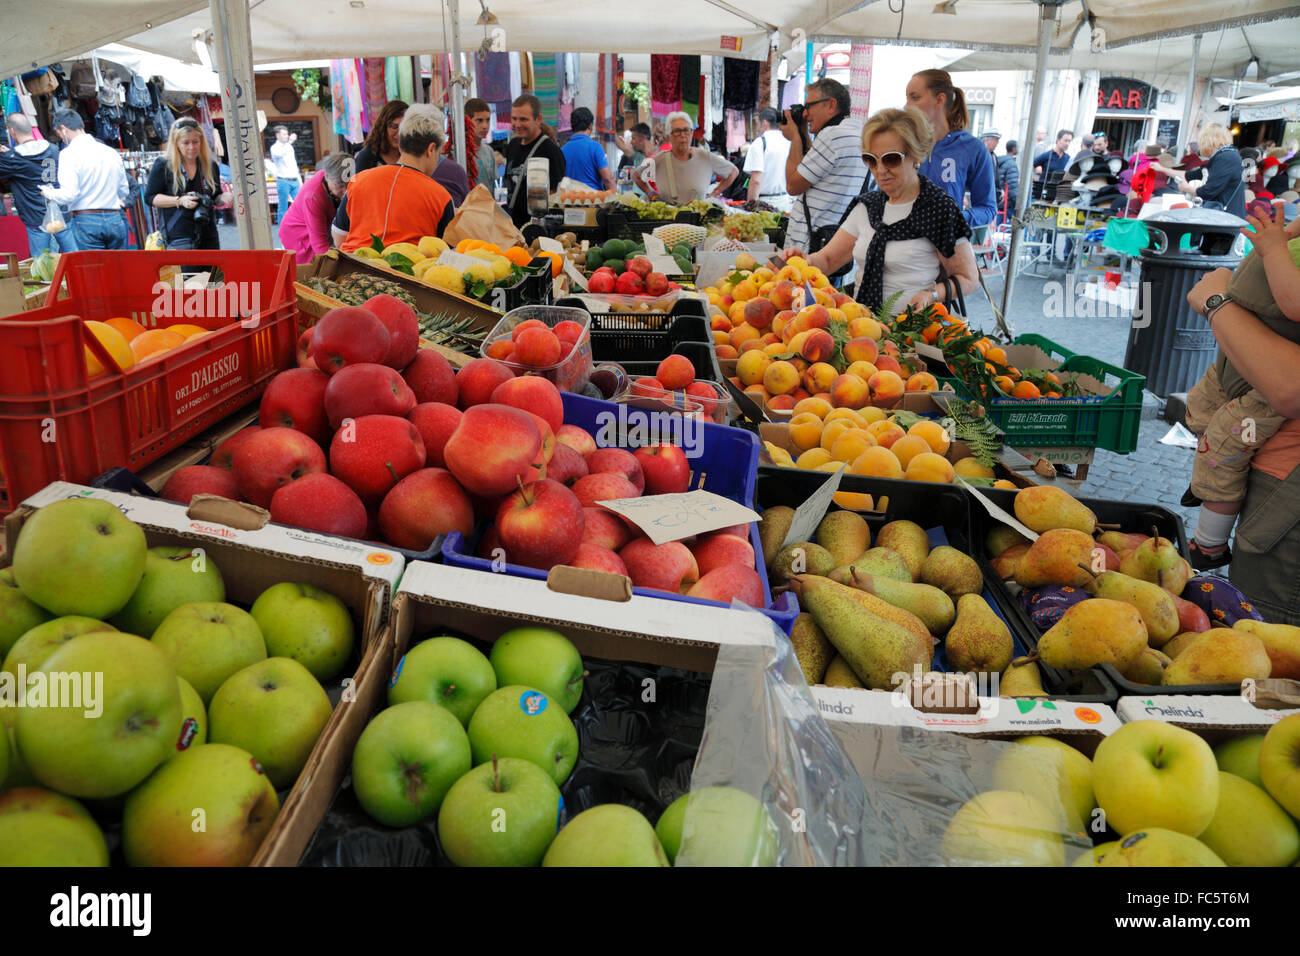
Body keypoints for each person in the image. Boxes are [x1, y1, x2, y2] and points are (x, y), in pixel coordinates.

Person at [1179, 204, 1300, 569]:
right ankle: (1208, 476)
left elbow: (1294, 305)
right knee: (1200, 408)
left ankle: (1211, 544)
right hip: (1239, 363)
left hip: (1267, 395)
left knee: (1224, 446)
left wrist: (1275, 248)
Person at [1188, 262, 1300, 624]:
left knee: (1265, 640)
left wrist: (1217, 303)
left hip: (1286, 505)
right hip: (1275, 486)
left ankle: (1209, 542)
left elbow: (1290, 389)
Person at [786, 107, 977, 313]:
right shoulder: (867, 207)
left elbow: (967, 278)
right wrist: (806, 260)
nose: (880, 169)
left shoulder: (938, 208)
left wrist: (930, 294)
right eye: (871, 159)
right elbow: (829, 259)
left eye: (891, 159)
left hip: (911, 331)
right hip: (861, 328)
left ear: (915, 155)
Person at [331, 105, 454, 253]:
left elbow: (339, 238)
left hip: (354, 270)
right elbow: (447, 255)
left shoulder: (358, 181)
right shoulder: (441, 196)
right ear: (431, 149)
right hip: (406, 274)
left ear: (401, 147)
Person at [782, 78, 867, 254]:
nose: (805, 114)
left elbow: (793, 185)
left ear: (831, 104)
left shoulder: (833, 135)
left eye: (809, 106)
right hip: (833, 240)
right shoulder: (857, 133)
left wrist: (796, 138)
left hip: (810, 246)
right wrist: (803, 131)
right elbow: (815, 171)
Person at [906, 70, 996, 229]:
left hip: (946, 246)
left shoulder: (973, 148)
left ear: (939, 99)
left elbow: (988, 209)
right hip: (902, 242)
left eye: (915, 97)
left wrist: (956, 217)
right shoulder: (902, 143)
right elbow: (883, 196)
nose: (907, 106)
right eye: (907, 98)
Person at [38, 108, 130, 250]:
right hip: (115, 218)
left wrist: (48, 193)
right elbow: (124, 190)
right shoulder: (110, 152)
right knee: (117, 269)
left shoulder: (68, 154)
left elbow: (69, 194)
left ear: (63, 129)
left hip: (86, 220)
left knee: (93, 270)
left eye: (59, 134)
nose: (62, 138)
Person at [144, 118, 232, 250]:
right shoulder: (164, 165)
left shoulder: (210, 165)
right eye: (186, 143)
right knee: (186, 272)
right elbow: (150, 197)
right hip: (179, 237)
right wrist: (179, 201)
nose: (192, 147)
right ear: (176, 143)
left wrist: (223, 198)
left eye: (196, 142)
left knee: (212, 271)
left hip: (208, 235)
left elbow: (215, 197)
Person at [0, 112, 78, 254]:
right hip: (61, 214)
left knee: (44, 267)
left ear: (12, 131)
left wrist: (6, 155)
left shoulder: (13, 158)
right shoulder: (53, 149)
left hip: (36, 219)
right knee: (74, 259)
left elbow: (18, 166)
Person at [633, 111, 738, 205]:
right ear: (669, 136)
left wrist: (716, 193)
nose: (683, 135)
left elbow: (733, 172)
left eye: (686, 130)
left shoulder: (705, 157)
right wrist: (650, 193)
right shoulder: (659, 159)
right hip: (668, 221)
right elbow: (636, 175)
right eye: (677, 131)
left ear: (692, 134)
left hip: (698, 218)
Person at [1153, 123, 1246, 218]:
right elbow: (1189, 175)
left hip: (1226, 218)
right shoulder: (1224, 156)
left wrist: (1186, 188)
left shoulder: (1226, 158)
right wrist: (1161, 169)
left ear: (1208, 140)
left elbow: (1208, 192)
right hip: (1224, 215)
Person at [278, 152, 354, 264]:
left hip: (320, 228)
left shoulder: (332, 178)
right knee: (314, 271)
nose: (345, 191)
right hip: (299, 236)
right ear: (327, 176)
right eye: (340, 186)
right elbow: (320, 246)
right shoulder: (312, 196)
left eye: (348, 185)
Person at [502, 93, 566, 225]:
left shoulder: (550, 151)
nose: (517, 124)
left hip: (537, 228)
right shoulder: (512, 145)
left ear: (538, 119)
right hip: (512, 226)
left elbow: (556, 195)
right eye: (514, 119)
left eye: (524, 119)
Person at [744, 108, 792, 212]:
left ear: (764, 123)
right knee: (780, 228)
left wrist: (750, 207)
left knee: (766, 229)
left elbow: (756, 180)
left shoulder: (760, 143)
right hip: (786, 202)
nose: (757, 128)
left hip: (765, 205)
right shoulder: (788, 142)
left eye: (757, 124)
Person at [561, 107, 613, 191]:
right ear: (590, 125)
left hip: (570, 200)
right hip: (593, 200)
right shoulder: (595, 147)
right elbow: (607, 179)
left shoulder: (563, 150)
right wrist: (615, 198)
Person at [465, 98, 497, 193]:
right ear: (467, 121)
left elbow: (492, 185)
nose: (485, 126)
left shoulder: (489, 151)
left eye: (487, 120)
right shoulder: (458, 152)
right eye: (479, 120)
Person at [1032, 129, 1074, 200]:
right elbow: (1030, 166)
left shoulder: (1068, 158)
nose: (1067, 143)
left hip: (1059, 195)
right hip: (1042, 193)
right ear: (1058, 140)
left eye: (1069, 141)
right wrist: (1035, 179)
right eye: (1065, 140)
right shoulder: (1047, 155)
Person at [269, 126, 302, 208]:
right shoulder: (274, 147)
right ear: (277, 135)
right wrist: (290, 142)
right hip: (283, 180)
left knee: (300, 203)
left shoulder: (289, 146)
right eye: (284, 134)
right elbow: (279, 154)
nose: (287, 136)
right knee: (283, 206)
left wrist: (300, 181)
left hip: (294, 179)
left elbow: (293, 165)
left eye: (287, 134)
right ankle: (282, 221)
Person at [998, 140, 1020, 222]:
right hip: (1008, 203)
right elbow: (1012, 186)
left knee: (997, 230)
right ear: (1014, 149)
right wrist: (1017, 204)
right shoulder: (1011, 164)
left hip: (999, 201)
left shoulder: (1000, 161)